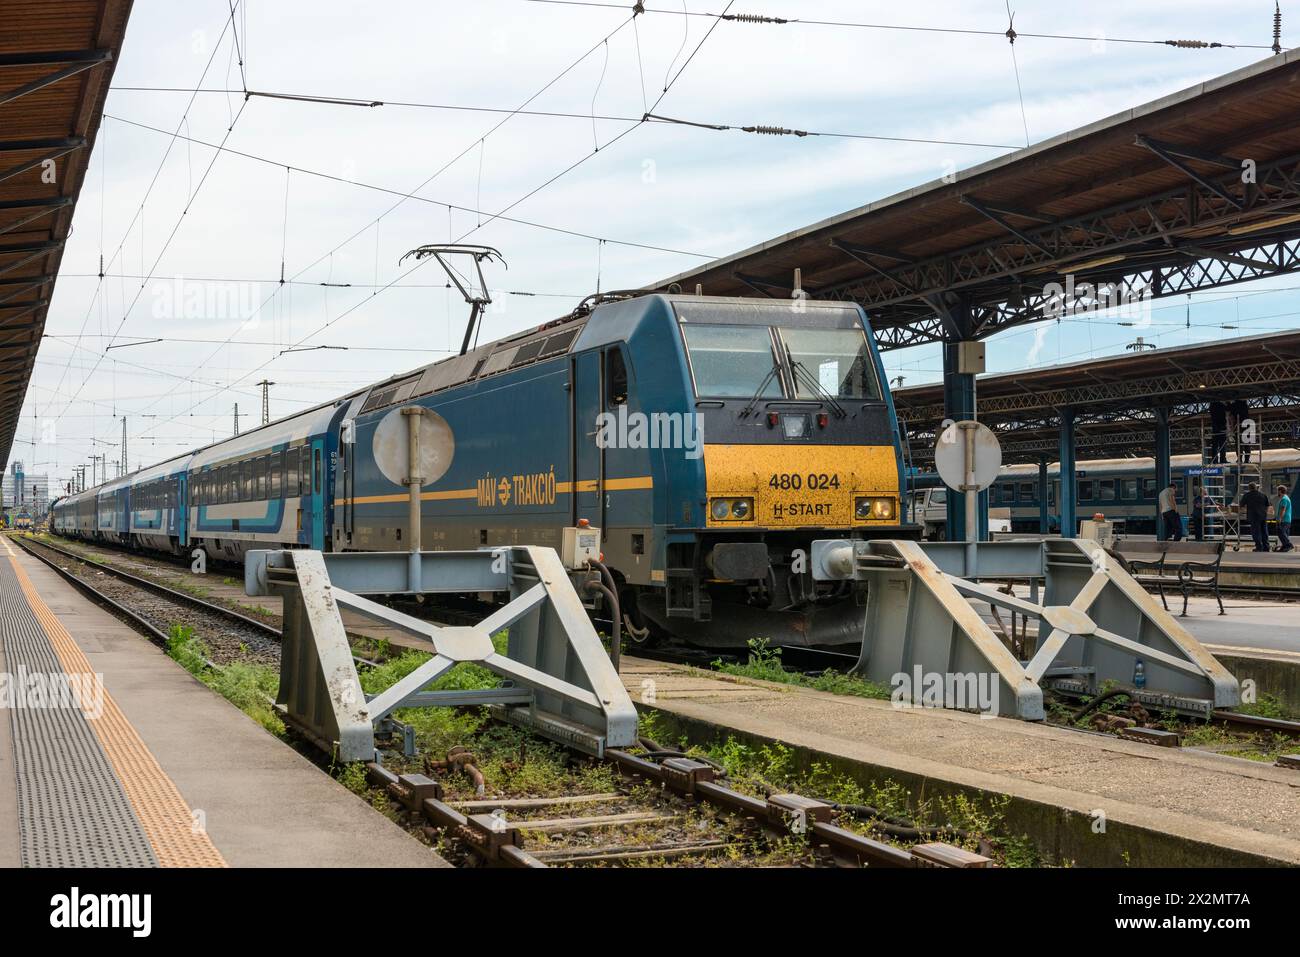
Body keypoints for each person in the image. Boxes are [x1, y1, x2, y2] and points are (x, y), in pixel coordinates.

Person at [1241, 482, 1271, 553]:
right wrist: (1265, 512)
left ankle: (1259, 547)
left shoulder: (1247, 495)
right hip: (1263, 516)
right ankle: (1266, 547)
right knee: (1264, 532)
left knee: (1256, 532)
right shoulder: (1263, 495)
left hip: (1253, 516)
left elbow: (1241, 505)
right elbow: (1267, 505)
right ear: (1256, 487)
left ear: (1249, 488)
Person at [1229, 399, 1251, 463]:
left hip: (1238, 425)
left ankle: (1239, 458)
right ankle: (1246, 459)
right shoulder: (1245, 405)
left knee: (1238, 444)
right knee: (1246, 443)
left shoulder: (1234, 405)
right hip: (1246, 424)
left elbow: (1231, 416)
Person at [1276, 484, 1294, 553]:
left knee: (1281, 532)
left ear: (1280, 491)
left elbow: (1283, 509)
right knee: (1284, 534)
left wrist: (1280, 518)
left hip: (1284, 519)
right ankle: (1284, 546)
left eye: (1277, 491)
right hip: (1287, 519)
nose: (1277, 492)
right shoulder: (1286, 498)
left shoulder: (1284, 499)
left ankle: (1288, 545)